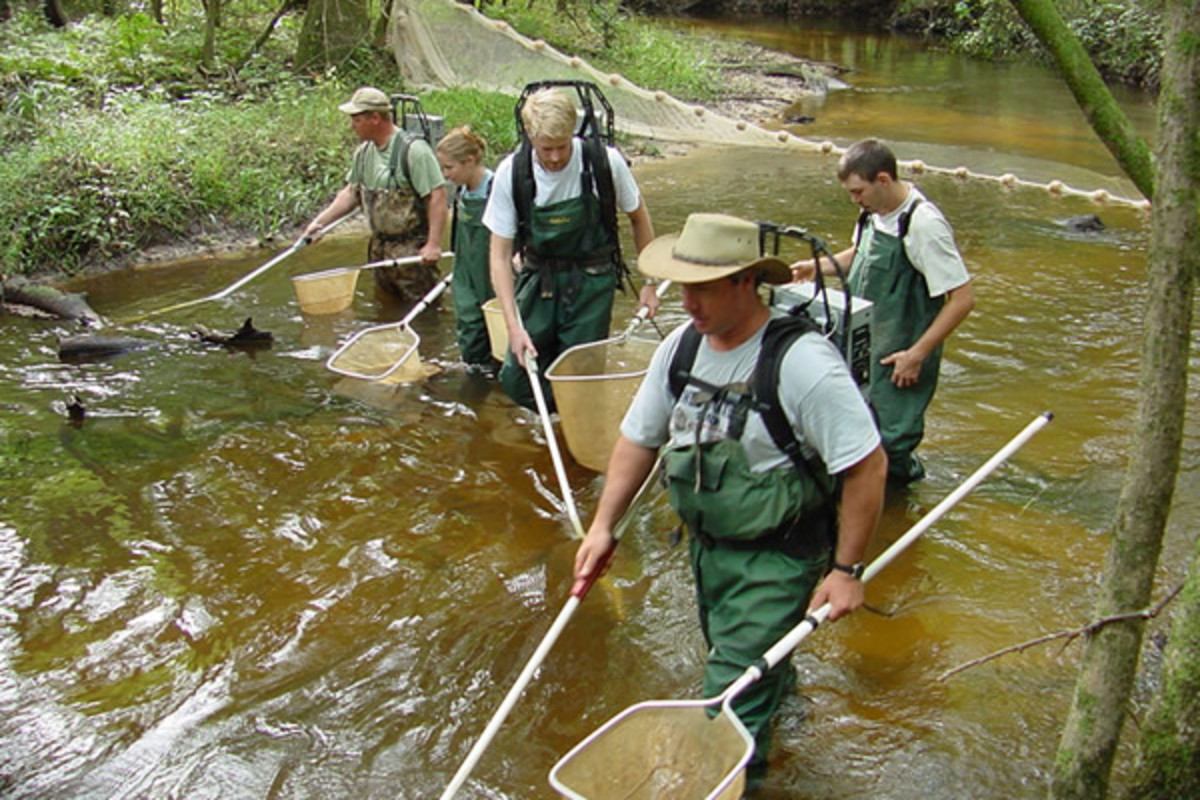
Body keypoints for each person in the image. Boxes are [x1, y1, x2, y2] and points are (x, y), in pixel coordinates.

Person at [574, 213, 888, 793]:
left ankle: (741, 777)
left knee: (723, 707)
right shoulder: (681, 347)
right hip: (708, 551)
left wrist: (846, 571)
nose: (687, 301)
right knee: (750, 670)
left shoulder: (803, 365)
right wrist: (602, 527)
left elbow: (867, 463)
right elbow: (639, 439)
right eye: (683, 285)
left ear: (746, 282)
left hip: (777, 561)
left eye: (703, 287)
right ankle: (778, 708)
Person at [792, 138, 974, 484]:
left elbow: (963, 298)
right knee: (854, 436)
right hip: (863, 346)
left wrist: (916, 355)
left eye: (858, 191)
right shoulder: (872, 213)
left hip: (900, 356)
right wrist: (817, 267)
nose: (854, 200)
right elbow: (860, 254)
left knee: (890, 446)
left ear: (884, 180)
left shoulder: (923, 226)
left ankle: (902, 510)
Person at [482, 86, 659, 410]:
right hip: (538, 280)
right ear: (530, 137)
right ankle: (561, 416)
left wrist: (649, 284)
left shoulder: (605, 163)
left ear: (572, 133)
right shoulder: (512, 172)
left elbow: (638, 218)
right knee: (517, 376)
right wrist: (513, 326)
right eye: (545, 148)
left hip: (592, 281)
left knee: (580, 374)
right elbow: (499, 256)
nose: (555, 157)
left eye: (562, 146)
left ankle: (575, 424)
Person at [303, 86, 448, 306]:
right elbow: (351, 194)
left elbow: (436, 197)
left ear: (375, 118)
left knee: (422, 314)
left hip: (411, 251)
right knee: (386, 307)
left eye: (357, 119)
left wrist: (434, 244)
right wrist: (320, 223)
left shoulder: (414, 151)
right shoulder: (363, 153)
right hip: (379, 249)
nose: (352, 125)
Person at [436, 126, 497, 369]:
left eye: (449, 168)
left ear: (470, 161)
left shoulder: (496, 187)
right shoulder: (461, 191)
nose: (445, 175)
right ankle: (475, 375)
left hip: (491, 271)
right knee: (469, 326)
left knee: (496, 328)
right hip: (465, 271)